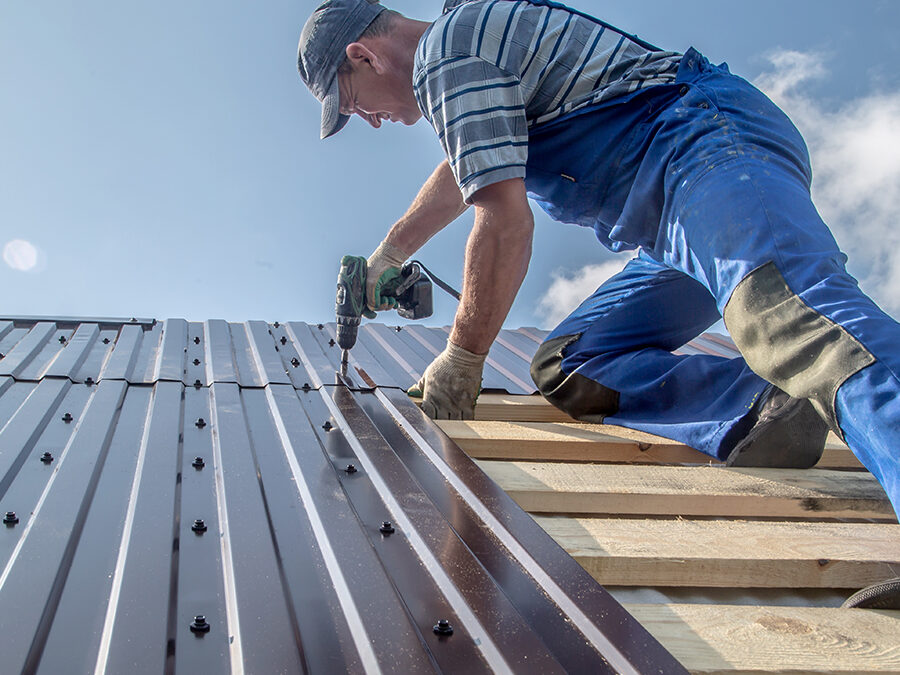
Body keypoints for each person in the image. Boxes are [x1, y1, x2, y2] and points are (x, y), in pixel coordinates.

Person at [296, 0, 900, 530]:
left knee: (791, 314)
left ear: (364, 55)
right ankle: (763, 404)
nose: (370, 122)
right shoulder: (462, 64)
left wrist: (464, 357)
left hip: (707, 150)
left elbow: (504, 220)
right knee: (573, 363)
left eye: (354, 105)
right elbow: (468, 164)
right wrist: (392, 252)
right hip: (671, 226)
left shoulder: (445, 57)